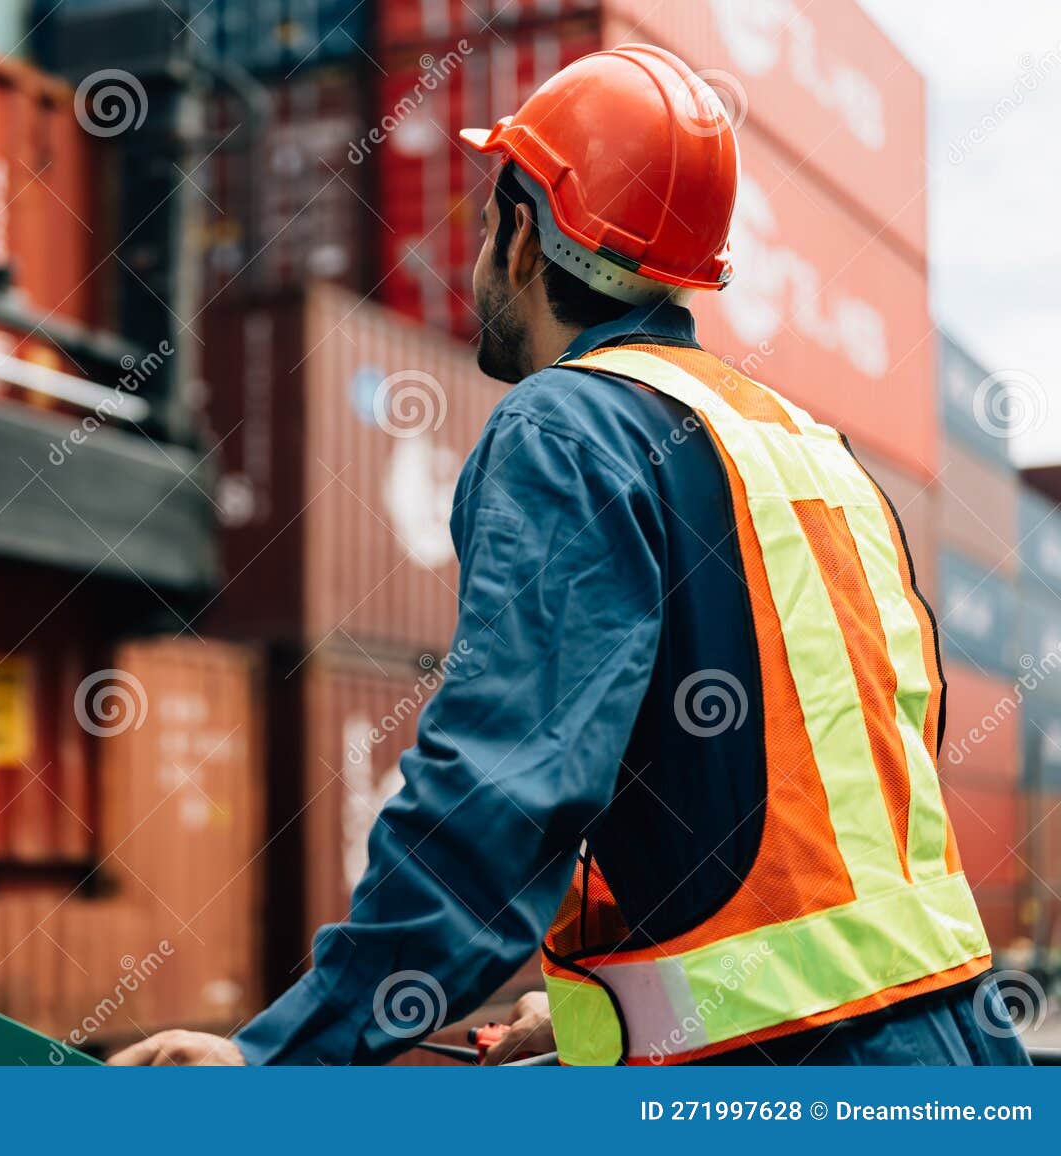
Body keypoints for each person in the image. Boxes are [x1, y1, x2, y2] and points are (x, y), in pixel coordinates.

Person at [110, 44, 1030, 1067]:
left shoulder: (568, 428)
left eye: (484, 216)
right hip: (954, 1047)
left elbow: (500, 795)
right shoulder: (805, 445)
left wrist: (283, 1056)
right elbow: (821, 821)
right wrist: (620, 1009)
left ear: (521, 233)